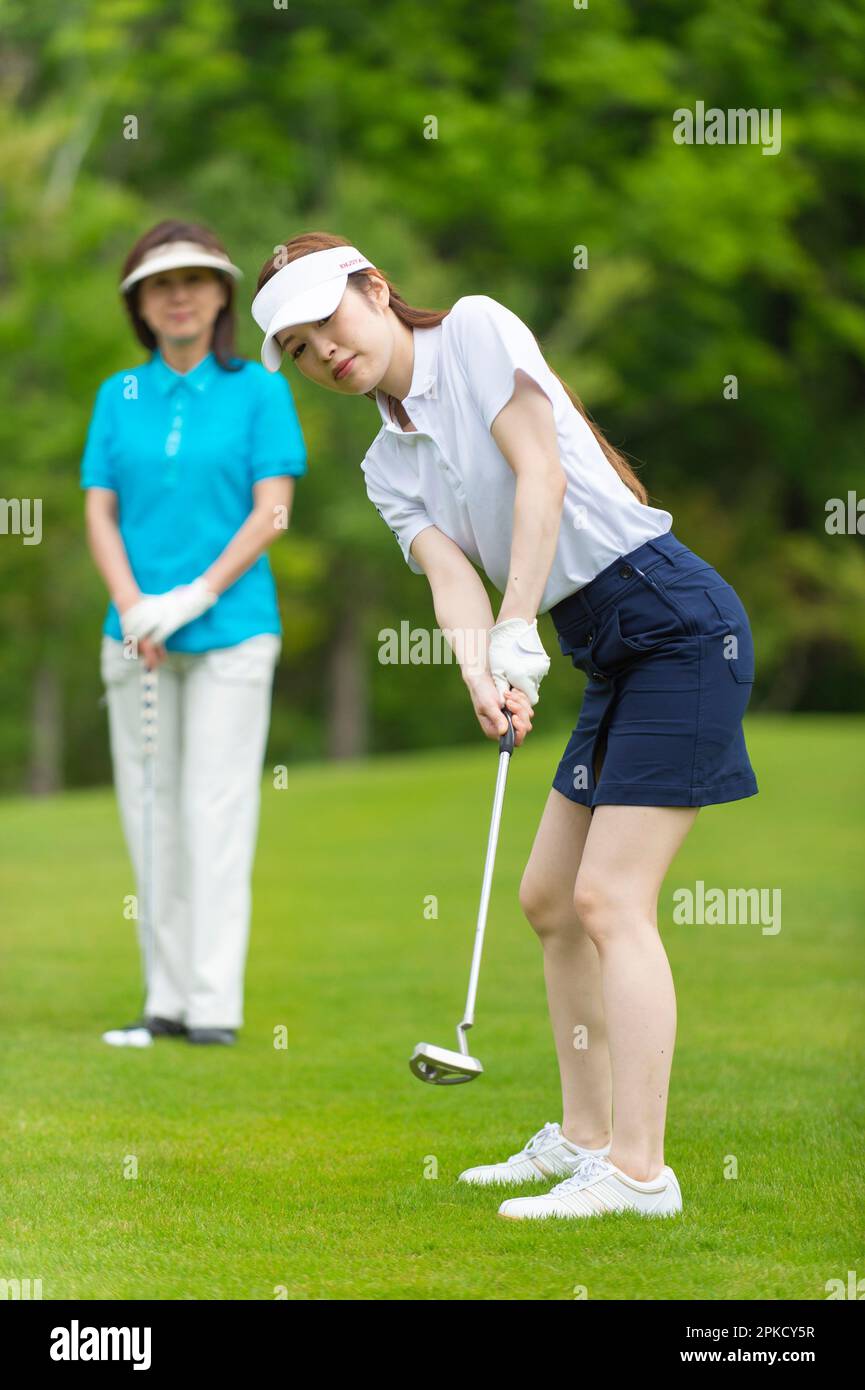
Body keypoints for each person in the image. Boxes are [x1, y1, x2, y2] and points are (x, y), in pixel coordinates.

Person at [250, 233, 758, 1219]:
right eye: (304, 350)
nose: (327, 354)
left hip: (675, 621)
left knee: (609, 900)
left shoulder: (476, 330)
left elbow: (541, 475)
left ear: (377, 289)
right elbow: (451, 580)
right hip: (604, 641)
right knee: (548, 898)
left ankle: (640, 1175)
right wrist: (482, 672)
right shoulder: (383, 462)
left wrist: (519, 616)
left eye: (331, 323)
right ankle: (582, 1137)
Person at [81, 220, 307, 1047]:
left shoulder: (258, 389)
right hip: (133, 637)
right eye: (160, 284)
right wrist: (137, 604)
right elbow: (100, 511)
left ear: (221, 296)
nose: (179, 296)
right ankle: (163, 1002)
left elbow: (272, 508)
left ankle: (212, 1005)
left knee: (215, 811)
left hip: (234, 630)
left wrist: (192, 597)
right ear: (140, 302)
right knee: (151, 815)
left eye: (196, 281)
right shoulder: (118, 395)